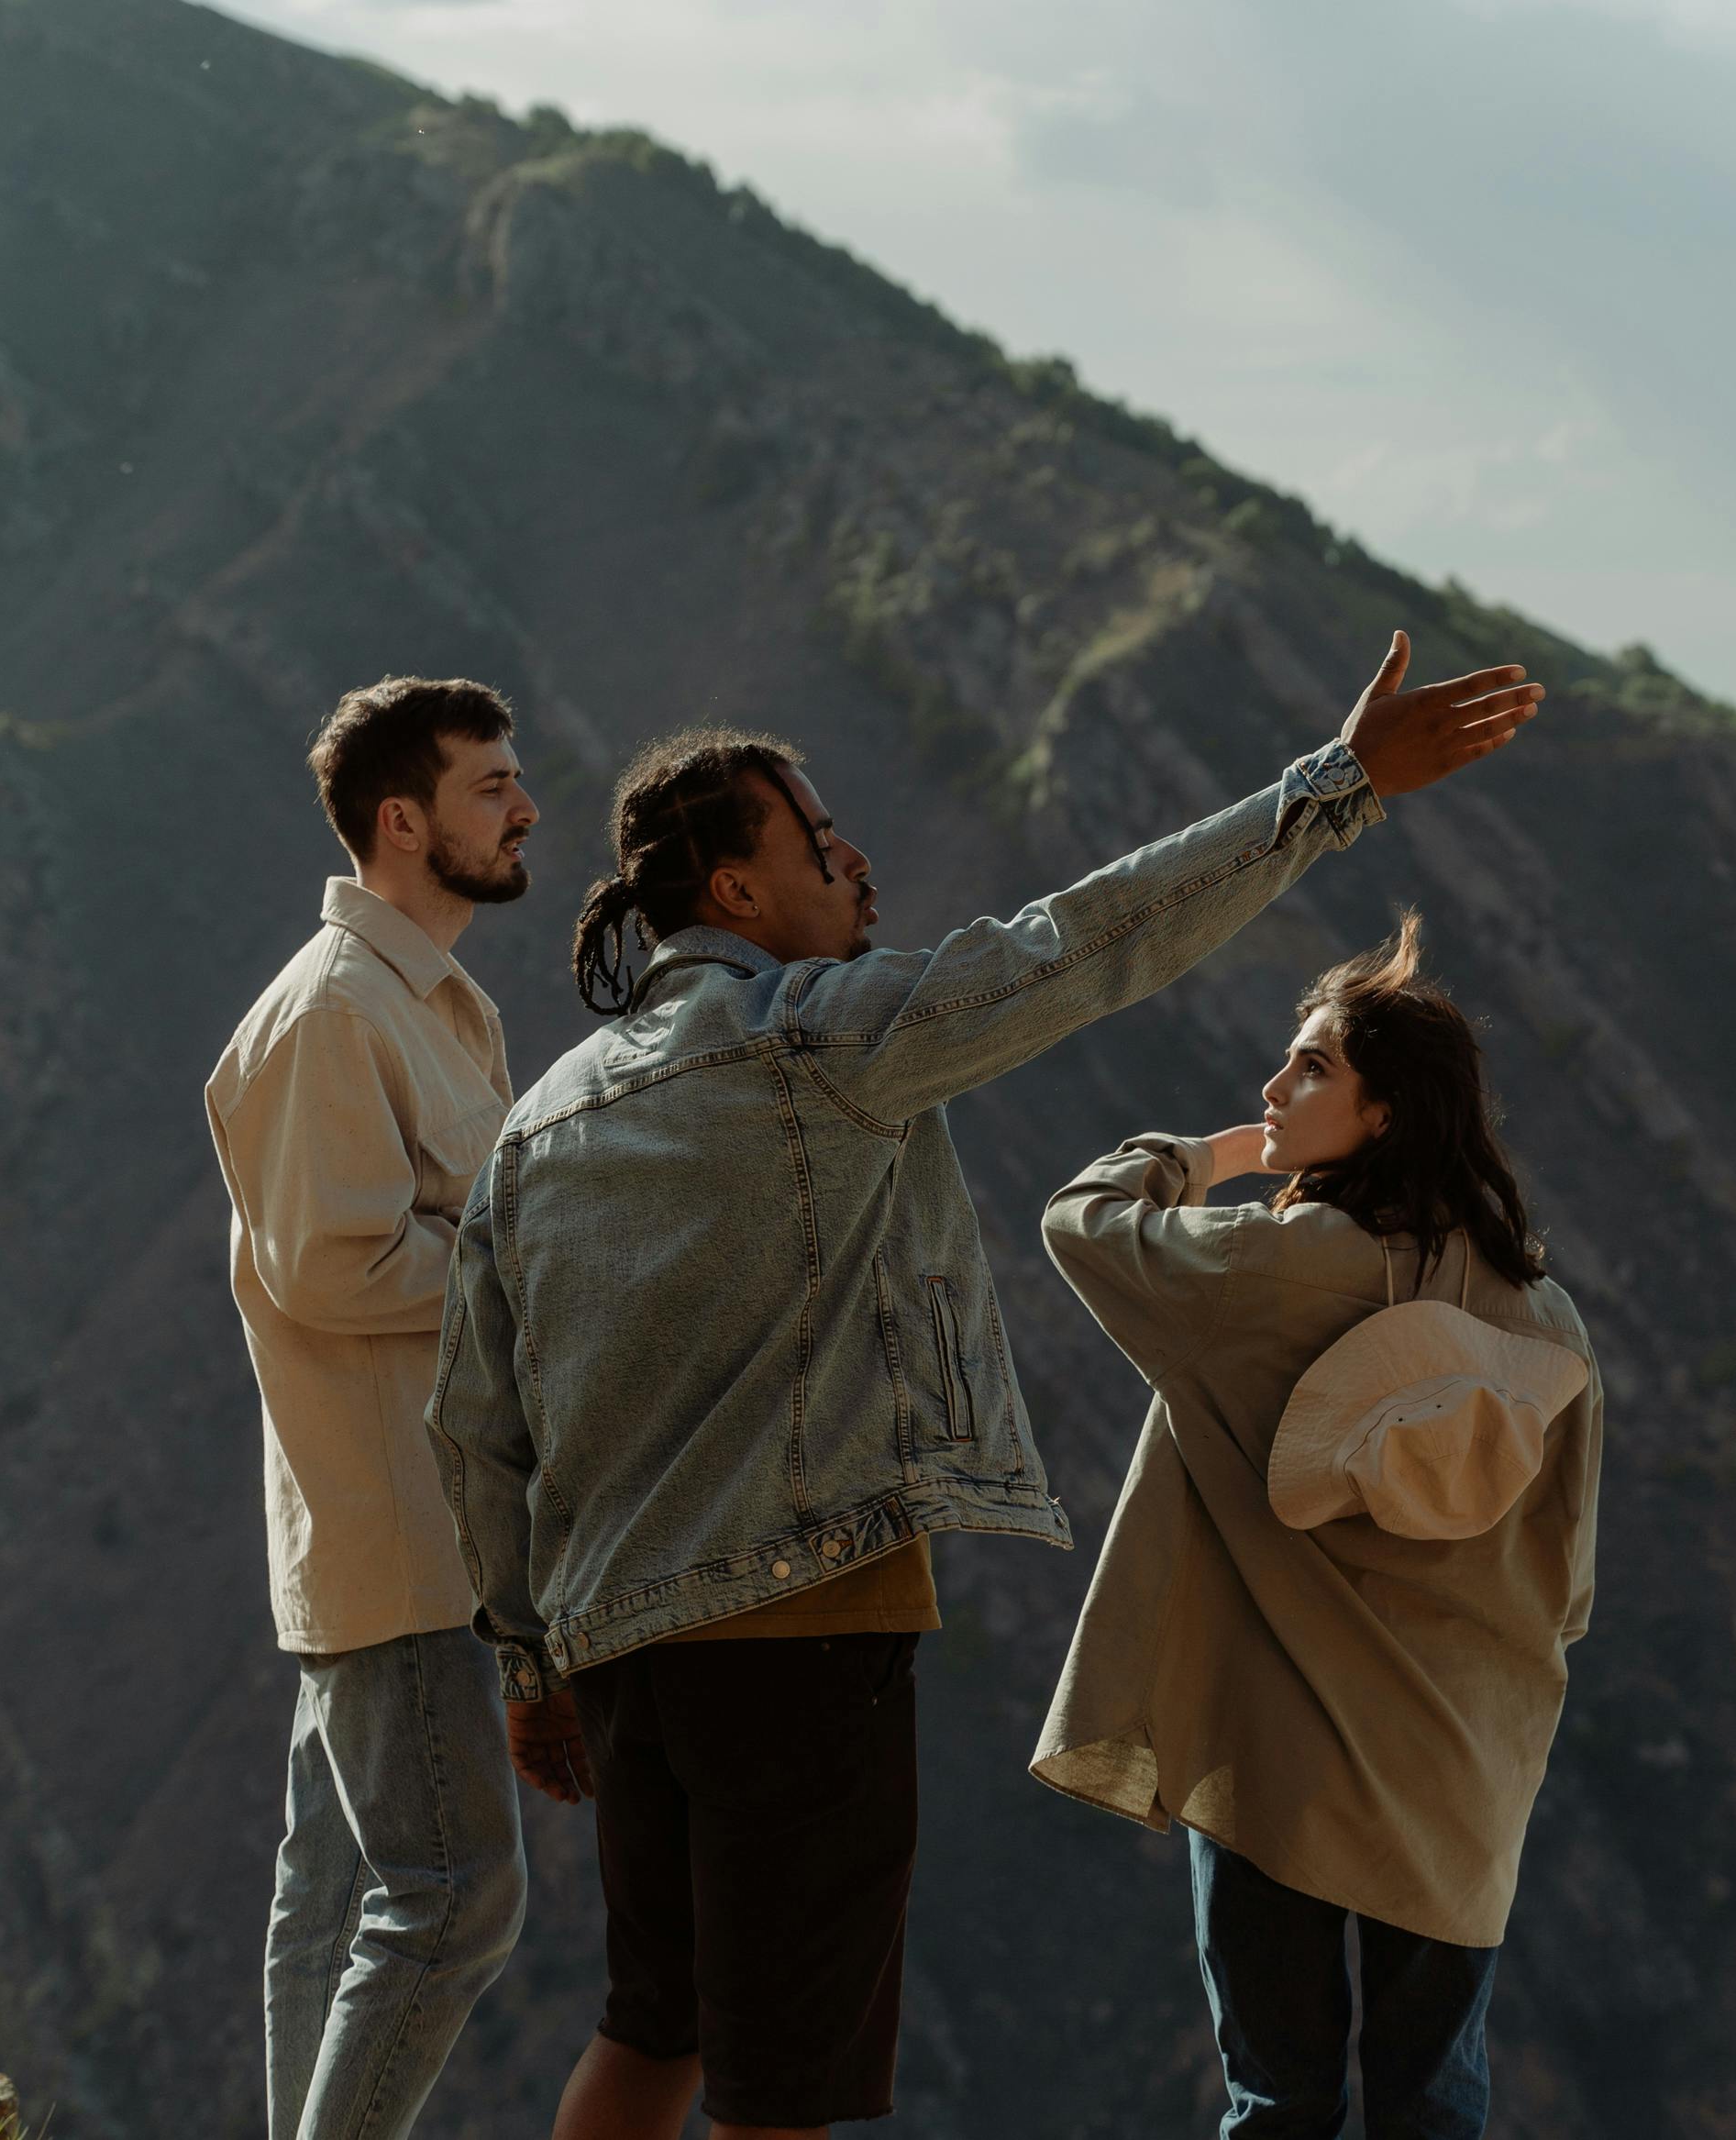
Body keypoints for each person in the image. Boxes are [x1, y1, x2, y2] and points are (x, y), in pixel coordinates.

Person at [428, 634, 1544, 2140]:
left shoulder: (542, 1119)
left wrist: (523, 1658)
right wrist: (1332, 786)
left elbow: (474, 1420)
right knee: (781, 2078)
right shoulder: (811, 1039)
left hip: (619, 1643)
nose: (856, 859)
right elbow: (1078, 944)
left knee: (652, 2026)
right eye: (819, 841)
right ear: (739, 891)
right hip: (802, 1625)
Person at [1032, 914, 1603, 2140]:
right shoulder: (1548, 1318)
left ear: (1386, 1110)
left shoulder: (1274, 1266)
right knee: (1435, 2106)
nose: (1274, 1084)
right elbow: (1572, 1577)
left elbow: (1081, 1220)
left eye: (1310, 1068)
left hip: (1278, 1752)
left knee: (1277, 2099)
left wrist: (1203, 1155)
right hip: (1462, 1767)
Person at [202, 676, 543, 2140]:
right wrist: (539, 1260)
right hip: (400, 1534)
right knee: (454, 1895)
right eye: (490, 786)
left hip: (406, 1522)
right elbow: (331, 1265)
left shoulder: (429, 1002)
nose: (525, 806)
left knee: (334, 1895)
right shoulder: (337, 1012)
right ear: (401, 824)